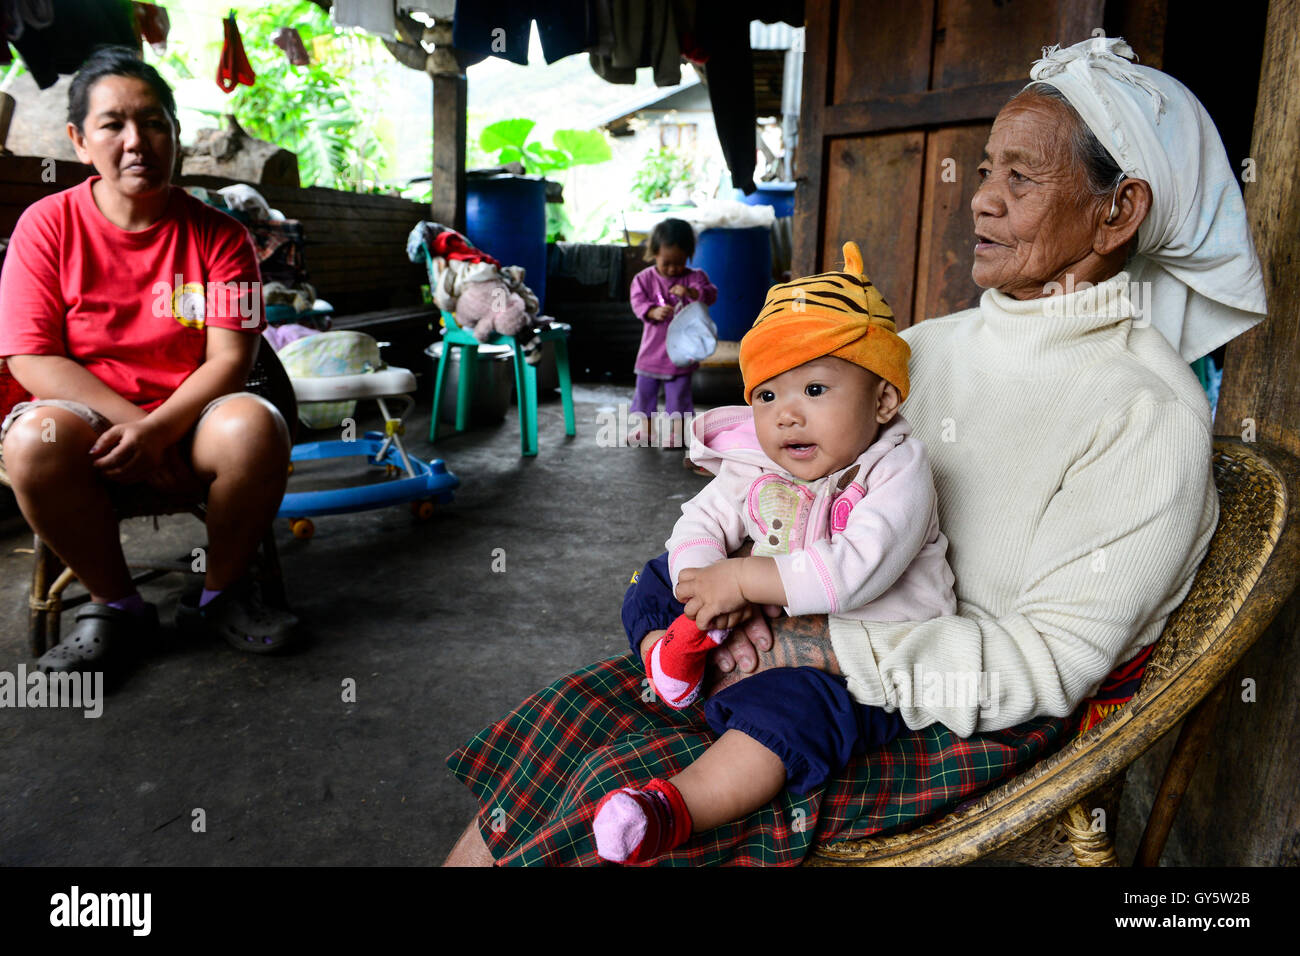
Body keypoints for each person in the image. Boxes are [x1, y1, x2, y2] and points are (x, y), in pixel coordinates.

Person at [442, 36, 1267, 866]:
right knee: (555, 742)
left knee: (596, 828)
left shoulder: (1146, 410)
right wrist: (725, 587)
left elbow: (1048, 666)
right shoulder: (921, 348)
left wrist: (814, 645)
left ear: (1117, 210)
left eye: (1021, 177)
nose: (980, 201)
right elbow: (783, 475)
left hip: (927, 713)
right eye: (984, 171)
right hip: (786, 636)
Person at [591, 242, 959, 863]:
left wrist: (740, 580)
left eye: (814, 389)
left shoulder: (899, 471)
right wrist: (703, 578)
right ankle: (672, 660)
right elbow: (701, 518)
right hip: (762, 619)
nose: (786, 417)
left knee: (792, 719)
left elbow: (852, 573)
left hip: (855, 662)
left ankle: (673, 808)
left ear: (882, 401)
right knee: (654, 576)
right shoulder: (762, 462)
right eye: (767, 396)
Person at [0, 46, 297, 674]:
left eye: (155, 122)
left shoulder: (224, 236)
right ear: (81, 141)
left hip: (194, 420)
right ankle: (117, 606)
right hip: (89, 426)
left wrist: (162, 432)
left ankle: (219, 594)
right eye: (113, 124)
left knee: (256, 426)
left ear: (176, 134)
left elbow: (230, 358)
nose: (138, 141)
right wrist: (136, 428)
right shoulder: (44, 226)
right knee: (34, 442)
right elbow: (31, 356)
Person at [627, 218, 717, 446]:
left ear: (688, 255)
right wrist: (651, 311)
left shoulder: (694, 277)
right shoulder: (644, 279)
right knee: (644, 394)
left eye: (678, 263)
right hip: (650, 352)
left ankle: (677, 434)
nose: (672, 269)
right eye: (666, 262)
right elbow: (637, 300)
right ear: (654, 253)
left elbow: (710, 294)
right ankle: (646, 430)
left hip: (681, 354)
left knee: (678, 396)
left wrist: (691, 292)